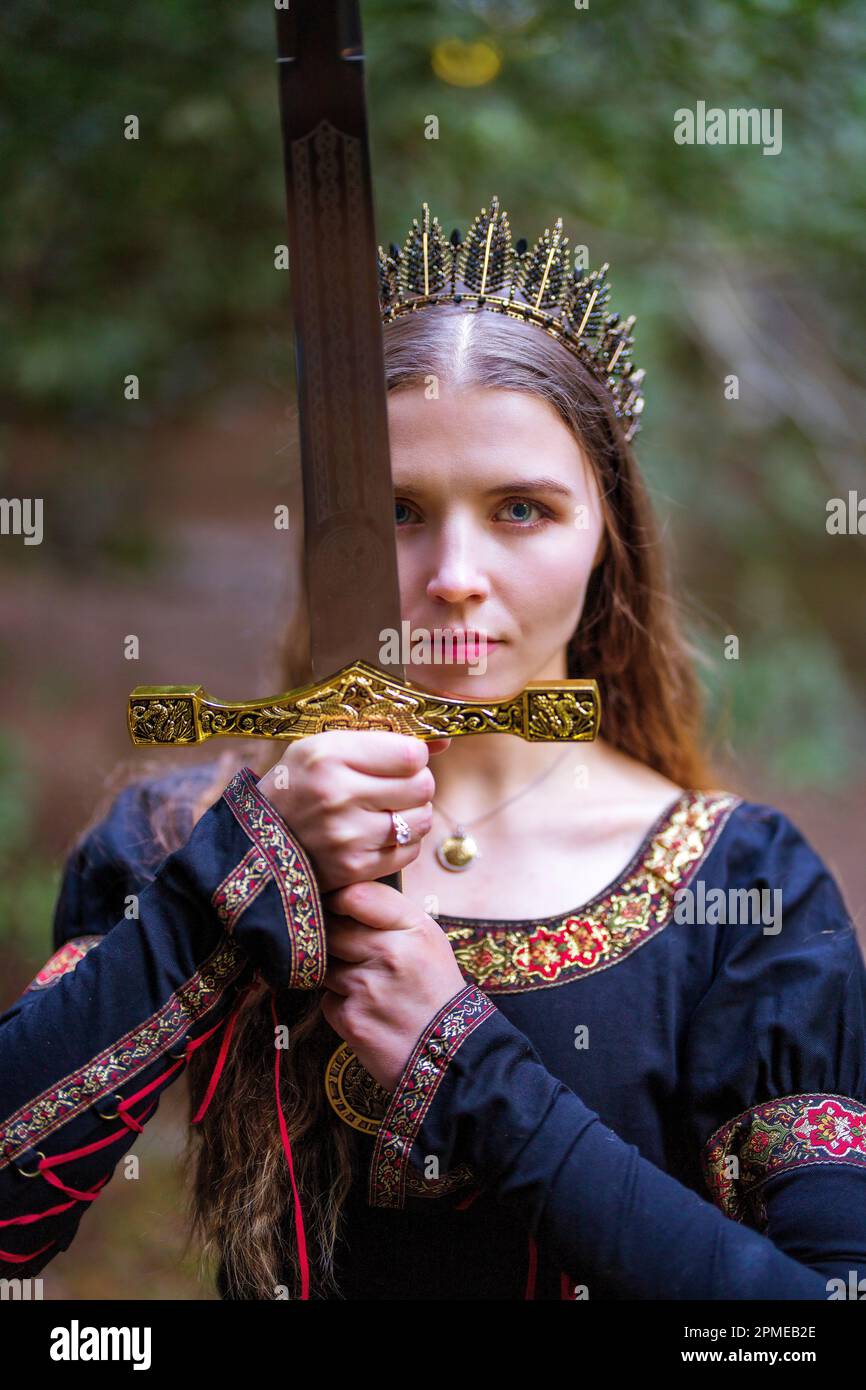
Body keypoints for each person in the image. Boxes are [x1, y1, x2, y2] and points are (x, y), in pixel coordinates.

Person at [1, 199, 864, 1300]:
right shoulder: (182, 842)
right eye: (397, 509)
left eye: (519, 508)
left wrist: (468, 1070)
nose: (454, 571)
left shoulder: (745, 892)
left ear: (608, 531)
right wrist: (240, 873)